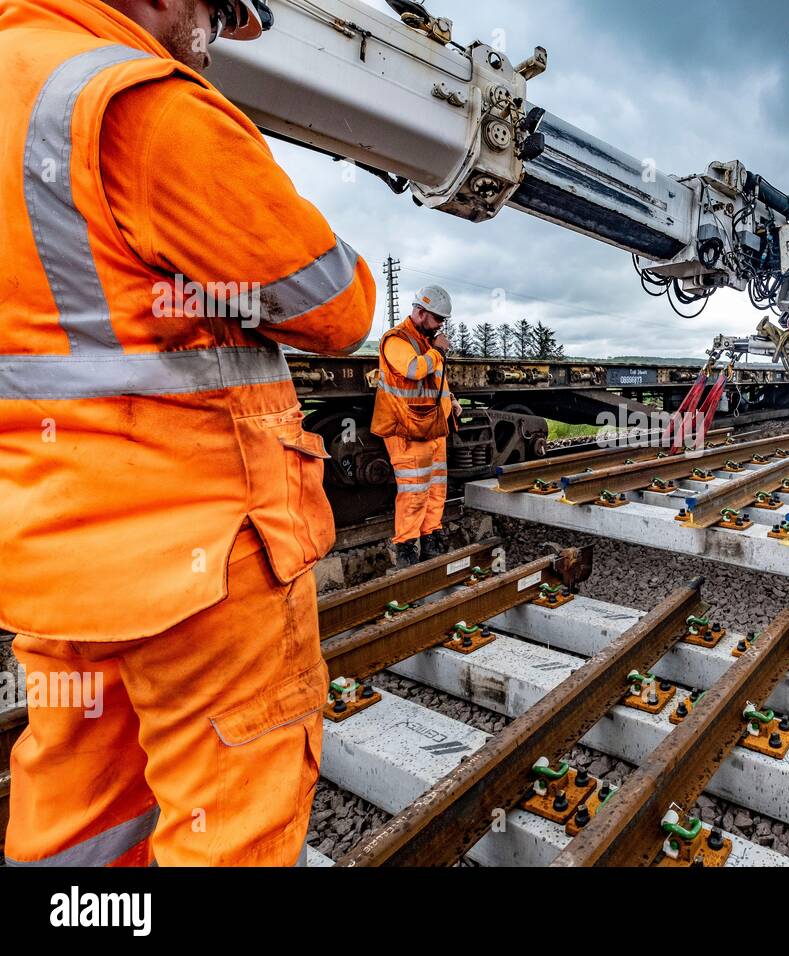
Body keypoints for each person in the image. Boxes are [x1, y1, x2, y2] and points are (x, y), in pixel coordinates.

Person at [0, 0, 376, 866]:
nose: (206, 34)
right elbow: (336, 306)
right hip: (198, 558)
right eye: (211, 11)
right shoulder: (135, 103)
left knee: (81, 824)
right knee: (231, 822)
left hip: (53, 560)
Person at [371, 285, 464, 567]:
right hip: (407, 429)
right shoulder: (396, 340)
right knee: (413, 491)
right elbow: (414, 370)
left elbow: (434, 382)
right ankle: (407, 547)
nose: (441, 326)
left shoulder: (426, 344)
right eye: (438, 320)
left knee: (436, 488)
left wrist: (452, 400)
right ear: (421, 313)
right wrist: (437, 352)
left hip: (431, 428)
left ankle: (431, 536)